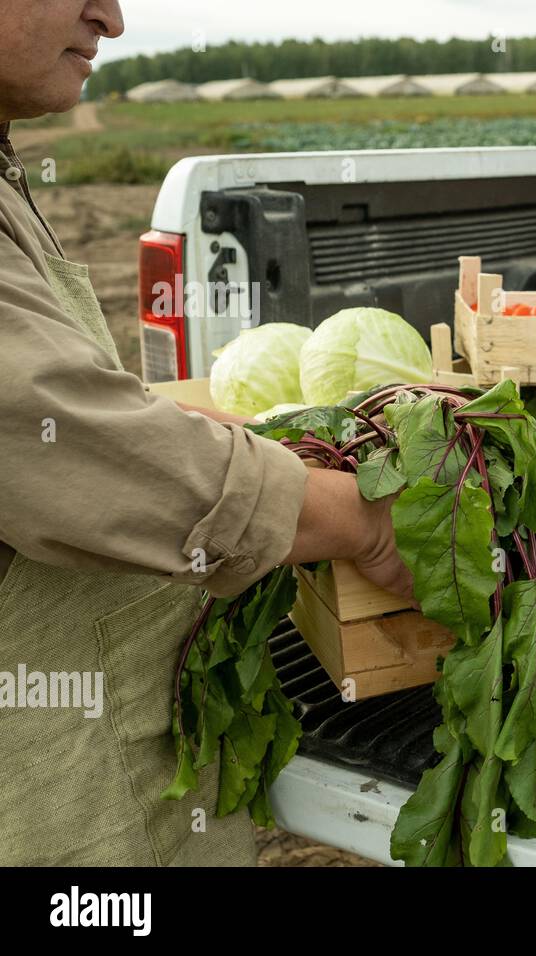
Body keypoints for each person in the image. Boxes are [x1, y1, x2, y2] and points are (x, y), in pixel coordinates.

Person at [0, 0, 413, 865]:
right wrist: (368, 521)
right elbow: (60, 440)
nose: (110, 19)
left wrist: (230, 436)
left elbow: (77, 403)